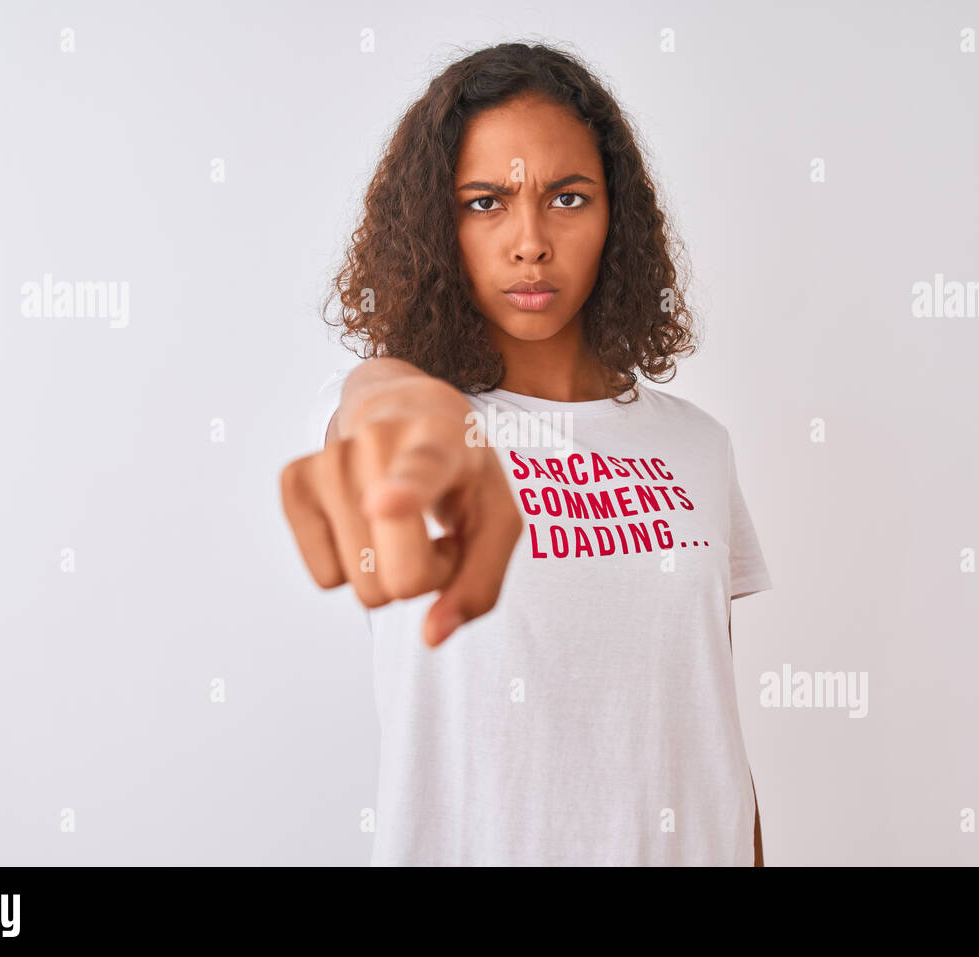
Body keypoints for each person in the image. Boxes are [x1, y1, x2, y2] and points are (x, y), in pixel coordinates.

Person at [280, 41, 773, 866]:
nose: (530, 241)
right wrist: (380, 390)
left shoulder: (697, 446)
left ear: (617, 216)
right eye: (486, 202)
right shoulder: (408, 423)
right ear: (437, 225)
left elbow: (714, 733)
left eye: (567, 197)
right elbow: (368, 413)